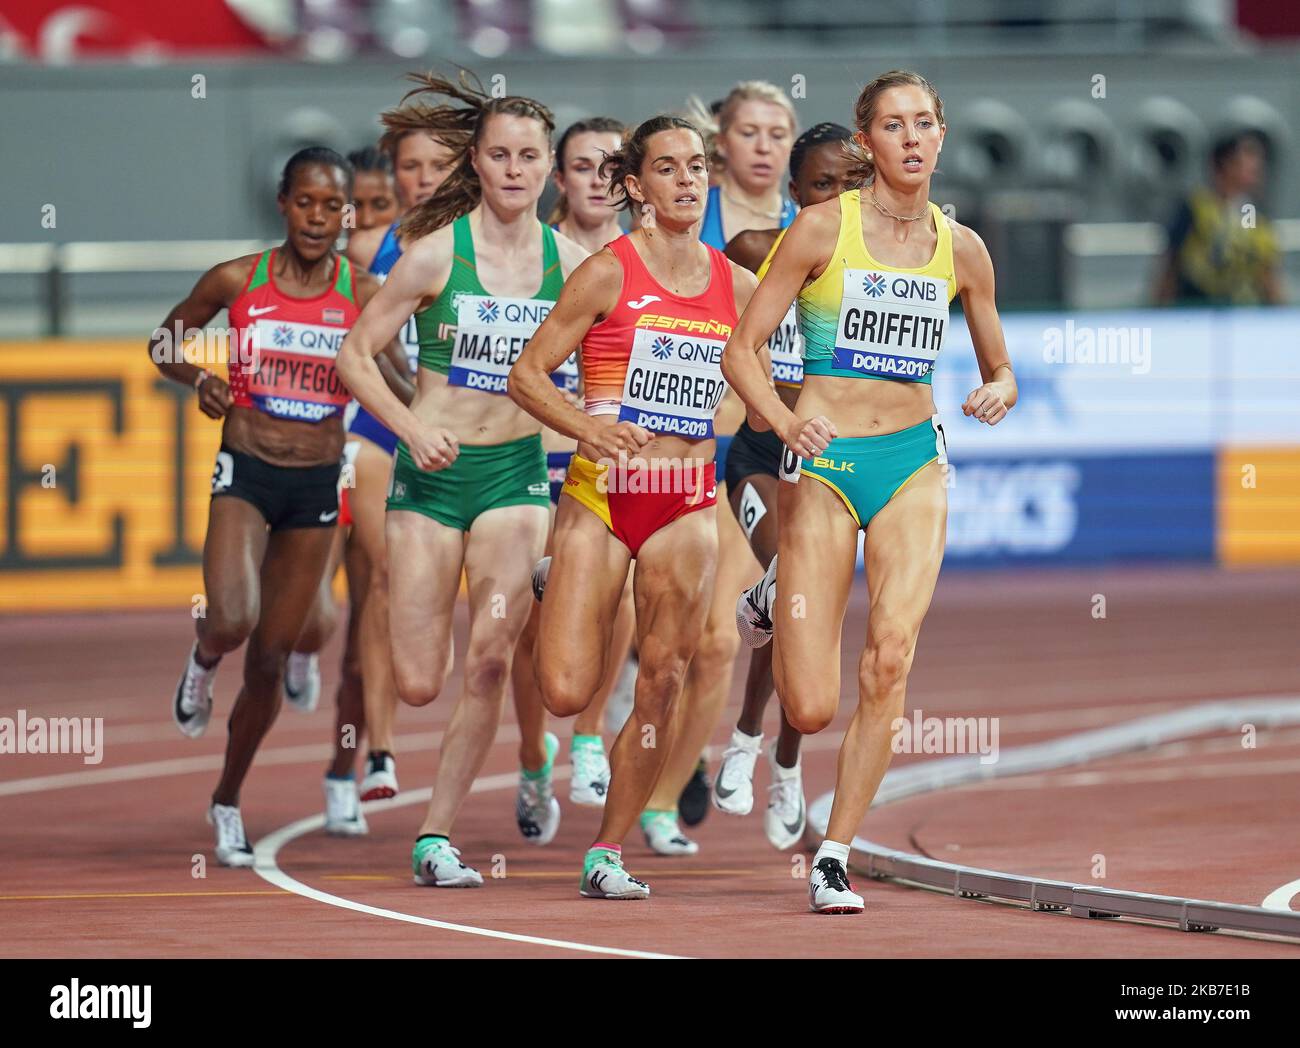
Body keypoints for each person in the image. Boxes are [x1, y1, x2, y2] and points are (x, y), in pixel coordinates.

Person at [721, 71, 1017, 913]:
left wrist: (999, 388)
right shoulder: (821, 229)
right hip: (824, 464)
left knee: (890, 658)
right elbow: (742, 352)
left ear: (942, 134)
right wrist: (783, 420)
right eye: (895, 125)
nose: (913, 139)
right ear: (867, 141)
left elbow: (1000, 366)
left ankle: (835, 854)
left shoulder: (962, 248)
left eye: (926, 122)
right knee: (810, 707)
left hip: (913, 463)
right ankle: (773, 594)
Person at [336, 71, 590, 888]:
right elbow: (355, 353)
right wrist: (411, 424)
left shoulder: (577, 265)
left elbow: (619, 358)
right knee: (418, 682)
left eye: (528, 157)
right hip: (430, 481)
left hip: (515, 481)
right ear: (474, 165)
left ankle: (435, 837)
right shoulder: (436, 255)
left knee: (489, 657)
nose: (514, 171)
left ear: (549, 167)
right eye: (499, 156)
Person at [508, 115, 757, 899]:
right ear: (635, 187)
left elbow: (762, 389)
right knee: (567, 691)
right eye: (668, 169)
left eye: (696, 167)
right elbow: (528, 375)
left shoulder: (737, 285)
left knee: (662, 679)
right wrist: (590, 426)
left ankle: (607, 851)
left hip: (683, 500)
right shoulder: (608, 274)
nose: (687, 181)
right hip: (602, 493)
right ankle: (555, 592)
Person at [159, 147, 409, 865]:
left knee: (273, 654)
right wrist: (197, 378)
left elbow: (397, 379)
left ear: (348, 215)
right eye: (307, 203)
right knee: (235, 619)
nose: (320, 218)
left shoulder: (362, 292)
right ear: (283, 204)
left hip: (317, 485)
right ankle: (205, 653)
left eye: (334, 207)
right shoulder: (240, 278)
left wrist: (442, 420)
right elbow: (164, 338)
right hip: (247, 472)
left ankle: (227, 799)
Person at [711, 122, 859, 850]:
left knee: (806, 622)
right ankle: (743, 740)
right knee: (786, 580)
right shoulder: (753, 250)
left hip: (832, 469)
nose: (836, 196)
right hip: (762, 456)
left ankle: (786, 762)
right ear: (794, 192)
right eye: (822, 184)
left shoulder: (876, 266)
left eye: (849, 183)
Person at [659, 79, 801, 830]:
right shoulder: (694, 212)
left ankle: (695, 763)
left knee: (731, 627)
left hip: (751, 447)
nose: (765, 146)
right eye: (749, 132)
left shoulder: (808, 221)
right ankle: (633, 720)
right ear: (720, 142)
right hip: (670, 439)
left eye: (778, 133)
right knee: (663, 626)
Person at [512, 117, 631, 842]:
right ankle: (533, 757)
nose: (597, 179)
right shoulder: (534, 258)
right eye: (582, 166)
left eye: (611, 167)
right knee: (536, 624)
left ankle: (589, 735)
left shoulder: (643, 263)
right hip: (538, 455)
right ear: (560, 179)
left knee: (620, 602)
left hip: (612, 460)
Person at [341, 120, 459, 803]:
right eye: (409, 167)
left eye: (436, 165)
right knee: (382, 575)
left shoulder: (484, 245)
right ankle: (380, 751)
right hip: (383, 424)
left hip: (466, 429)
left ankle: (537, 753)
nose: (422, 178)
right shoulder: (367, 249)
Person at [1154, 130, 1285, 306]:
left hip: (1242, 311)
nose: (1257, 165)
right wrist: (1160, 312)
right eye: (1248, 156)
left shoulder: (1253, 213)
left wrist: (1279, 313)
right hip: (1194, 309)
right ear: (1225, 163)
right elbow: (1171, 265)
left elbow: (1265, 269)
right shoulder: (1195, 207)